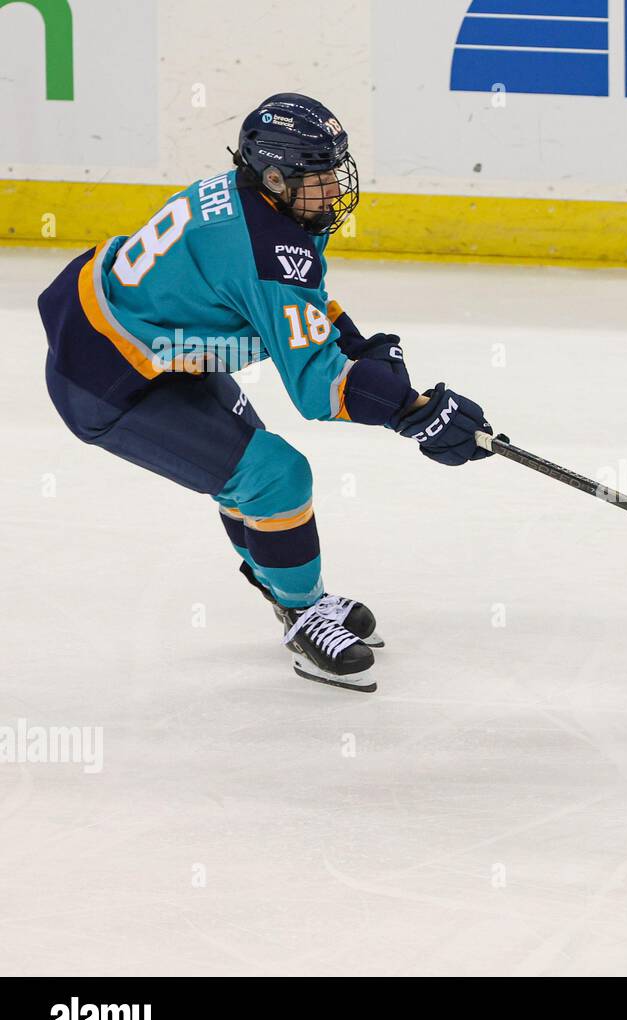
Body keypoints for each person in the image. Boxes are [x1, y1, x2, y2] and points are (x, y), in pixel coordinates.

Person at [39, 93, 493, 693]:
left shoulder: (262, 206)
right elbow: (319, 390)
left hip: (139, 343)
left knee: (249, 473)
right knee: (274, 475)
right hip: (111, 380)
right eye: (319, 177)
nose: (334, 190)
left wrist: (360, 349)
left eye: (336, 171)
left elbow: (291, 304)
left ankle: (288, 591)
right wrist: (415, 415)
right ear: (275, 176)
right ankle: (303, 616)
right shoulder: (267, 245)